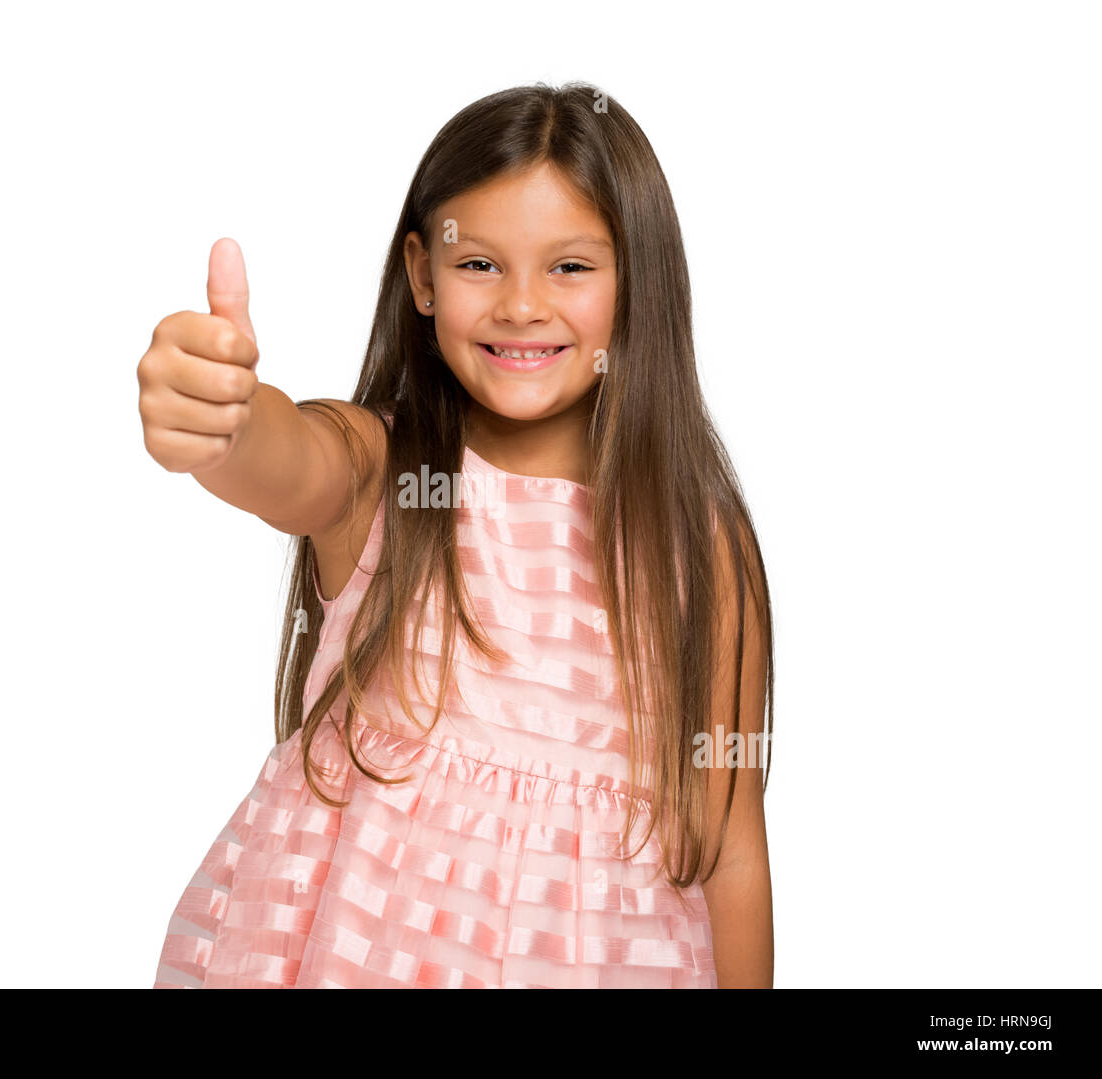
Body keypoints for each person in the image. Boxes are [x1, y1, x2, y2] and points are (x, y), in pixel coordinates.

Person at [138, 82, 774, 989]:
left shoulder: (693, 543)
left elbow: (730, 849)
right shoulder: (384, 470)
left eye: (570, 267)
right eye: (479, 264)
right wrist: (224, 425)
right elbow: (288, 458)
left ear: (638, 284)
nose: (521, 305)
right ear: (421, 275)